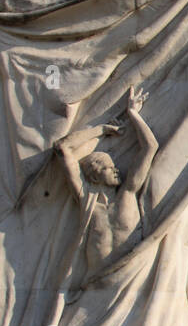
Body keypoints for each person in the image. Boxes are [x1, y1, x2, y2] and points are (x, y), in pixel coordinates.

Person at [54, 86, 158, 292]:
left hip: (129, 281)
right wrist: (102, 129)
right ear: (94, 174)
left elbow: (150, 147)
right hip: (95, 287)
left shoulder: (128, 192)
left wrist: (133, 114)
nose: (116, 170)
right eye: (108, 167)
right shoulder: (87, 201)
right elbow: (62, 148)